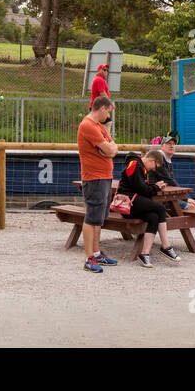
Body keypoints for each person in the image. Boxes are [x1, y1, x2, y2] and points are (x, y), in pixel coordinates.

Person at [76, 95, 119, 272]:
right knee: (91, 216)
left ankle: (96, 253)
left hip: (104, 176)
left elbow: (113, 148)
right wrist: (109, 149)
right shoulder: (88, 125)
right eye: (108, 112)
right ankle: (88, 258)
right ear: (102, 108)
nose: (108, 116)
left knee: (99, 218)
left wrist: (109, 149)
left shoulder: (100, 127)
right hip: (94, 177)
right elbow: (110, 148)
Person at [118, 149, 182, 268]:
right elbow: (142, 189)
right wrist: (156, 187)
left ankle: (144, 254)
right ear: (151, 160)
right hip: (128, 203)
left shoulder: (140, 166)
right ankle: (166, 246)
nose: (153, 169)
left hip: (132, 204)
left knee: (154, 217)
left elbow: (143, 188)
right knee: (161, 209)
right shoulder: (135, 164)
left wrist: (154, 187)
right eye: (155, 166)